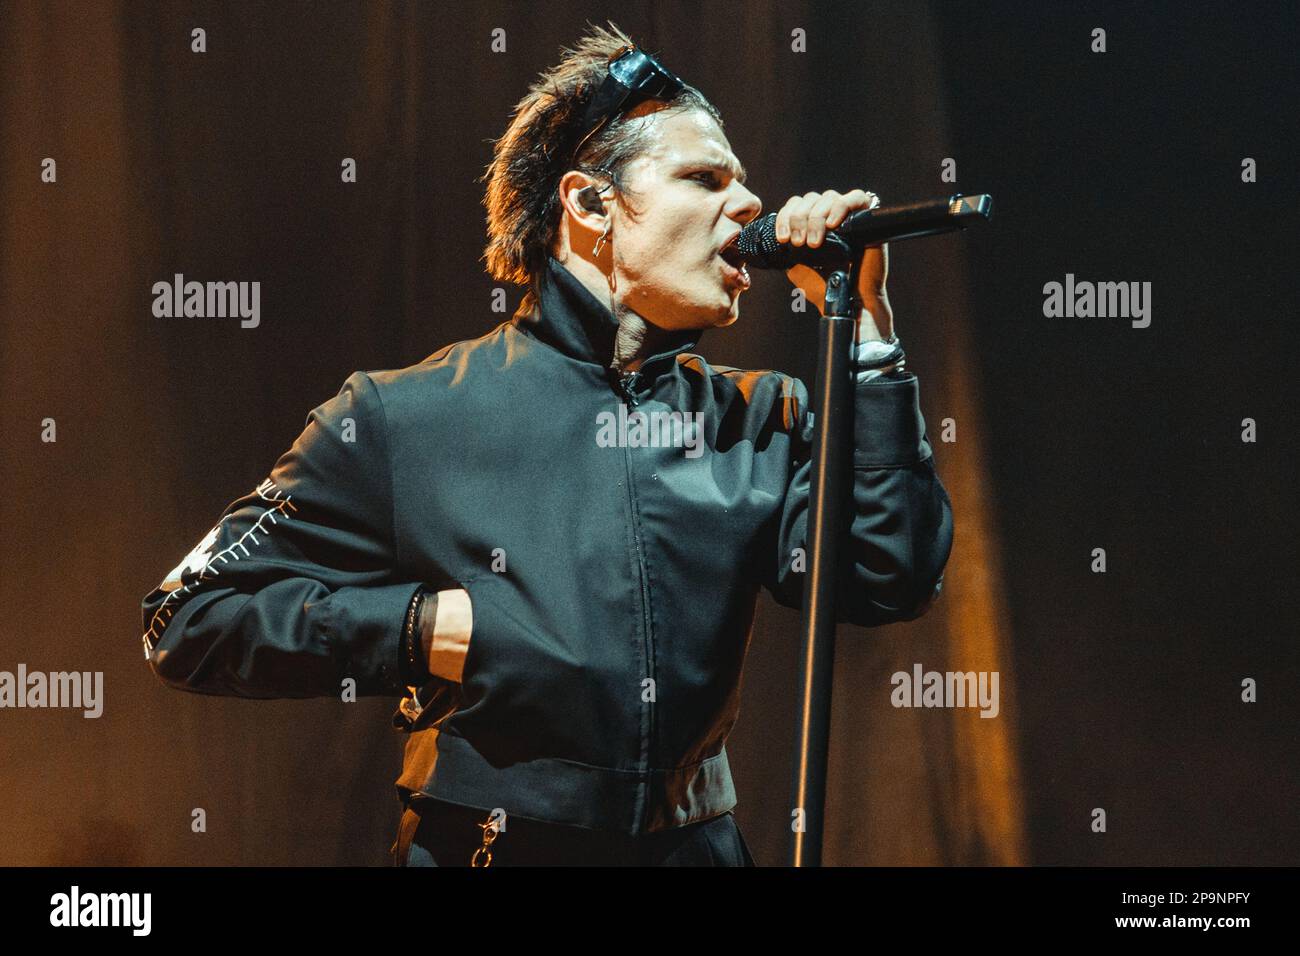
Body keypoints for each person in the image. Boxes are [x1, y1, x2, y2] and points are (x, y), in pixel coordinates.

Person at [140, 23, 954, 867]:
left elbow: (886, 575)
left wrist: (870, 344)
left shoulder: (757, 415)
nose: (749, 206)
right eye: (704, 178)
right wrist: (420, 626)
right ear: (590, 204)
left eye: (744, 184)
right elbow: (186, 617)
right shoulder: (402, 416)